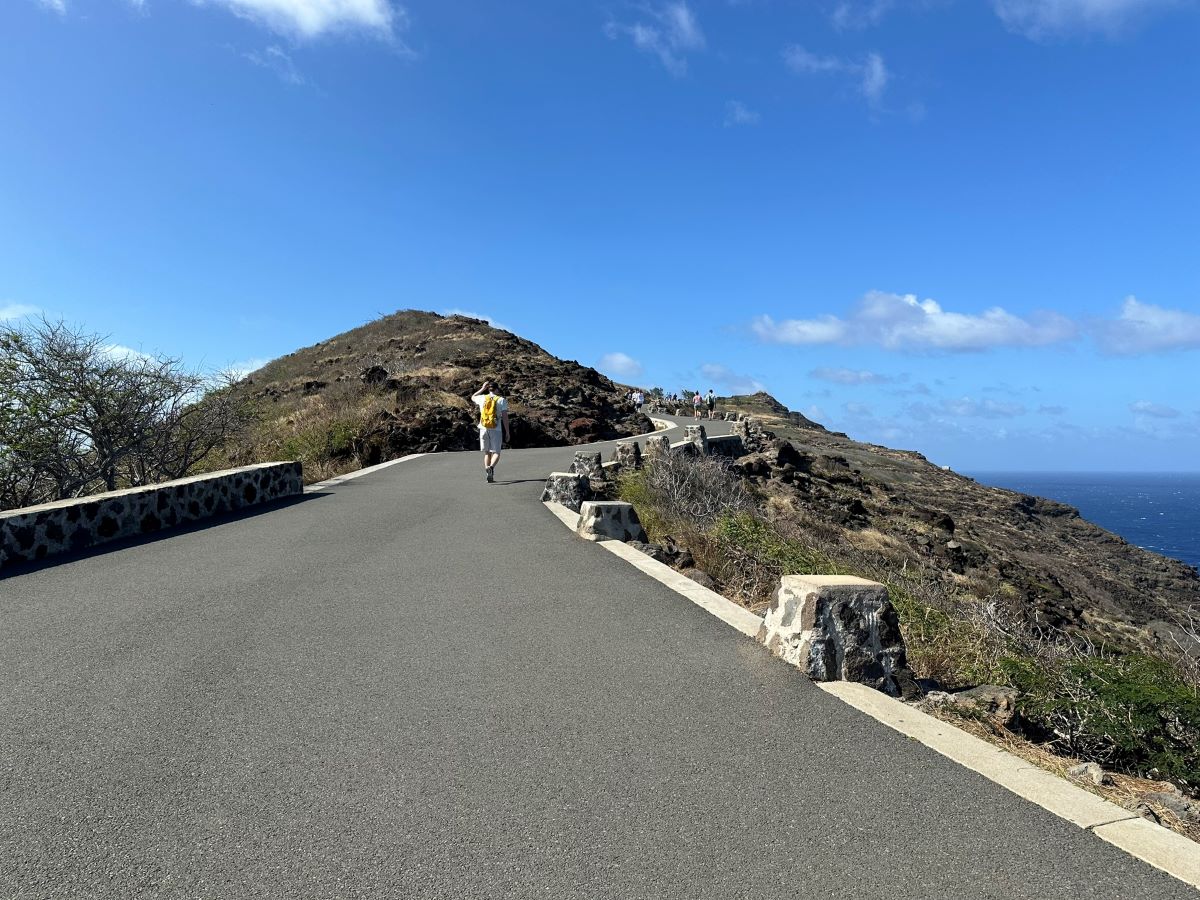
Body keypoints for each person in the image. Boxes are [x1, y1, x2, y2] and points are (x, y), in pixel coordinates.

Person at [471, 379, 510, 483]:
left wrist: (482, 388)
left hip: (483, 428)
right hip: (496, 429)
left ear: (489, 389)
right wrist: (507, 432)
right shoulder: (501, 400)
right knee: (496, 452)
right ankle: (491, 467)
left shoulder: (482, 398)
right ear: (497, 389)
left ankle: (488, 470)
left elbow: (472, 397)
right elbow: (505, 417)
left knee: (487, 453)